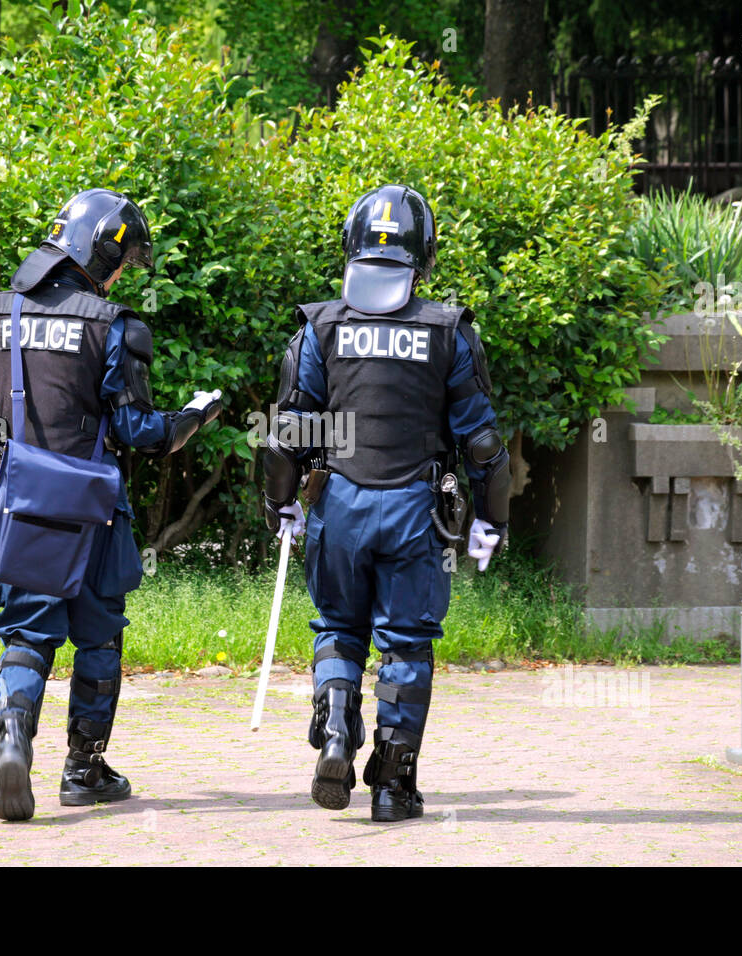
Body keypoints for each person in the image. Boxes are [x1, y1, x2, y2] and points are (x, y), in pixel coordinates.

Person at [0, 188, 223, 821]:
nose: (124, 274)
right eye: (123, 262)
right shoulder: (115, 327)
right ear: (101, 255)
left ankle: (13, 736)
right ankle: (84, 769)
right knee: (98, 640)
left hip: (22, 506)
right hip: (95, 510)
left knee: (25, 636)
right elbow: (139, 433)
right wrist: (195, 415)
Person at [263, 184, 509, 822]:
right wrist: (491, 519)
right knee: (405, 645)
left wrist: (281, 504)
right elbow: (482, 443)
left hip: (338, 505)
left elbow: (289, 431)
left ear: (350, 247)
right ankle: (394, 788)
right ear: (424, 258)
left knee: (338, 629)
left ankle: (339, 728)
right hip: (413, 512)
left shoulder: (321, 327)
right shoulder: (447, 331)